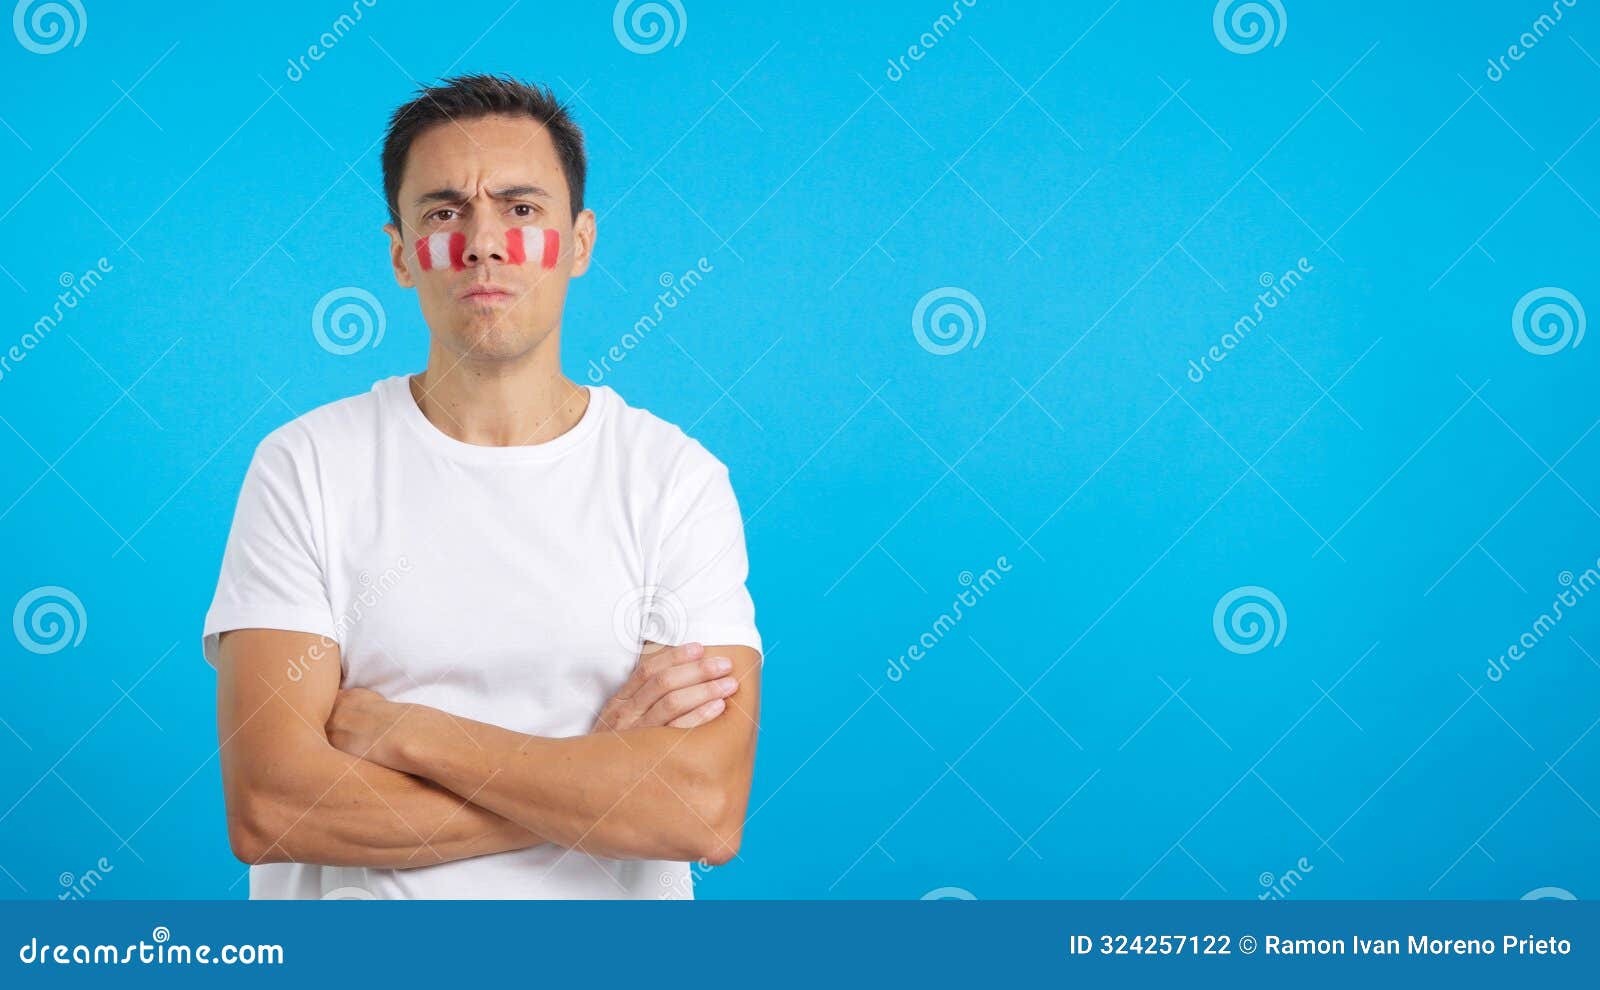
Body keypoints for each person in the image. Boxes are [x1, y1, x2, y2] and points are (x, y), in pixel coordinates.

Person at [202, 74, 763, 899]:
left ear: (580, 242)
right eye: (443, 212)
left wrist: (405, 733)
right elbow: (274, 808)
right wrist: (597, 777)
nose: (483, 243)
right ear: (400, 254)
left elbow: (704, 810)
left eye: (522, 208)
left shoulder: (675, 481)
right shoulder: (306, 466)